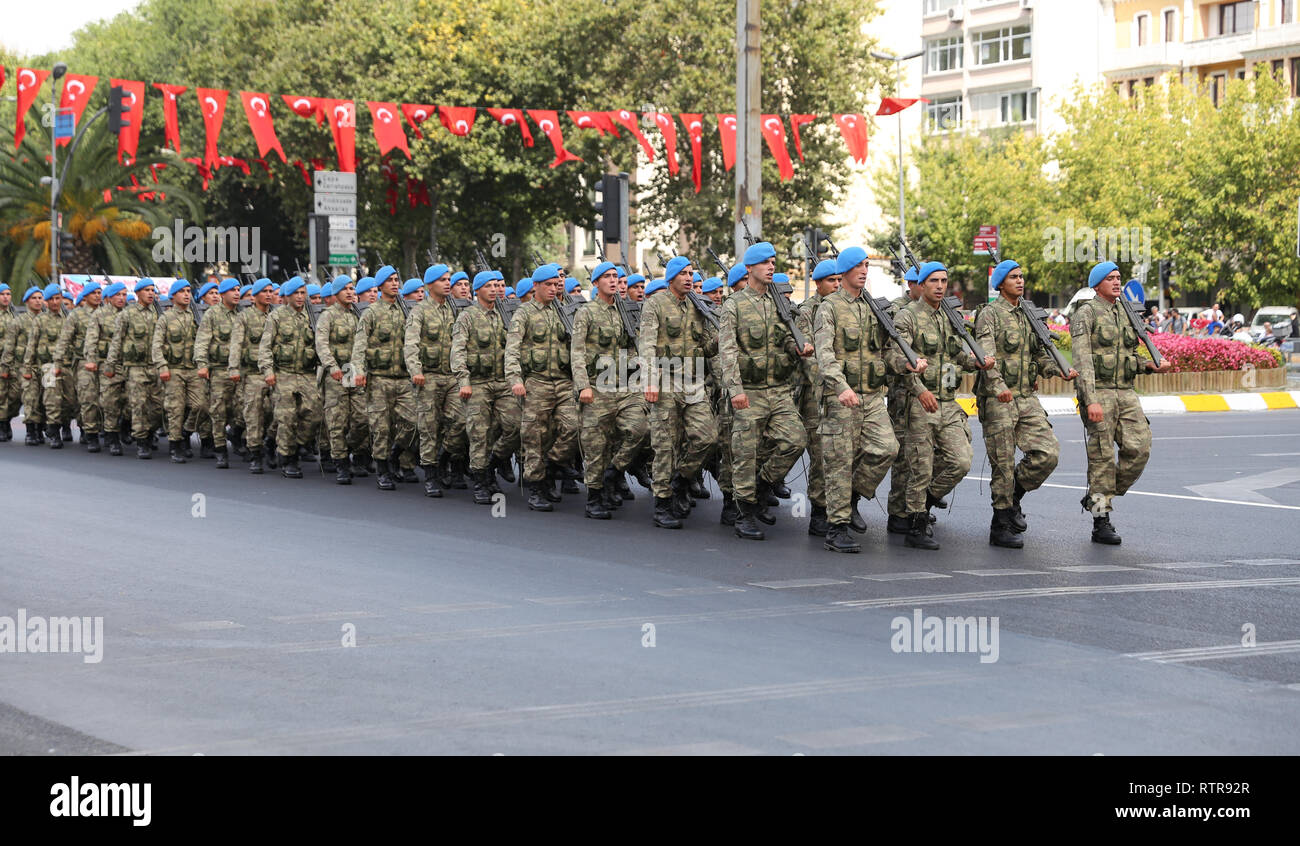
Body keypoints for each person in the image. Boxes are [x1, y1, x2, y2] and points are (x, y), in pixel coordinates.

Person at [814, 248, 918, 552]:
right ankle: (836, 529)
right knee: (839, 462)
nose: (864, 269)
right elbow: (824, 353)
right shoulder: (828, 308)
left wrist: (906, 363)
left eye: (867, 265)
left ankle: (853, 496)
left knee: (887, 448)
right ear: (844, 271)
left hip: (872, 396)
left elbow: (886, 352)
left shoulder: (873, 307)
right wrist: (839, 385)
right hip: (841, 398)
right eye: (858, 265)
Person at [888, 262, 996, 550]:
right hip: (919, 402)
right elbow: (897, 358)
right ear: (921, 285)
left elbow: (956, 355)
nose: (939, 285)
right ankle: (916, 524)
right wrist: (919, 390)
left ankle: (924, 502)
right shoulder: (906, 317)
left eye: (944, 280)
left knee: (960, 460)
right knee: (920, 466)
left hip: (947, 402)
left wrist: (976, 362)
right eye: (933, 280)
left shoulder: (949, 317)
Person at [974, 260, 1077, 549]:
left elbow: (1039, 355)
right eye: (1014, 277)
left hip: (1026, 397)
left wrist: (1058, 368)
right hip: (999, 398)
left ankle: (1014, 495)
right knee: (1003, 463)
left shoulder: (1029, 315)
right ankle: (1000, 523)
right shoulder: (990, 315)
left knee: (1048, 453)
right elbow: (985, 358)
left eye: (1022, 276)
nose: (1020, 281)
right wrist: (998, 387)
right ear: (1001, 283)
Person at [1070, 261, 1172, 544]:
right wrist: (1089, 399)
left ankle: (1098, 495)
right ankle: (1101, 520)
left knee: (1139, 448)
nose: (1117, 282)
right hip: (1098, 392)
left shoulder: (1127, 314)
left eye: (1118, 278)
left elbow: (1129, 358)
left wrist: (1151, 366)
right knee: (1101, 458)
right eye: (1110, 278)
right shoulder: (1086, 313)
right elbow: (1083, 361)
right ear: (1097, 284)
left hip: (1126, 392)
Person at [717, 242, 811, 540]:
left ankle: (761, 486)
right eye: (766, 263)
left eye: (773, 261)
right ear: (750, 269)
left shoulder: (777, 303)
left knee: (795, 439)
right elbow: (728, 352)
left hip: (778, 390)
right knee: (745, 452)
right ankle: (744, 513)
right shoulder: (734, 305)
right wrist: (735, 390)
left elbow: (784, 338)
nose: (771, 266)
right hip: (749, 391)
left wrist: (798, 346)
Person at [638, 255, 718, 528]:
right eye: (683, 273)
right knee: (665, 445)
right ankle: (662, 503)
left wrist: (723, 335)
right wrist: (649, 381)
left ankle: (681, 479)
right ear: (671, 278)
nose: (689, 278)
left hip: (693, 382)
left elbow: (707, 347)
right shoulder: (655, 304)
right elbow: (646, 345)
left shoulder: (698, 306)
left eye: (691, 273)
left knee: (707, 437)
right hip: (664, 382)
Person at [571, 262, 648, 518]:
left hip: (626, 386)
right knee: (596, 445)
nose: (614, 281)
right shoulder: (587, 312)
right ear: (595, 283)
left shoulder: (626, 311)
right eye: (607, 277)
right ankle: (594, 497)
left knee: (640, 429)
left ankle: (613, 472)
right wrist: (583, 386)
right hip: (597, 386)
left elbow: (635, 345)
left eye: (616, 277)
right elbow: (577, 352)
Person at [505, 263, 580, 511]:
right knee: (535, 436)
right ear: (535, 286)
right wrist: (515, 380)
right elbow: (512, 350)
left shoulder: (565, 312)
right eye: (547, 284)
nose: (553, 288)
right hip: (536, 383)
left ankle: (551, 468)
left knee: (573, 427)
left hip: (563, 382)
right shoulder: (524, 313)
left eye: (555, 284)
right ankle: (536, 488)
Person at [451, 270, 519, 504]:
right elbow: (458, 350)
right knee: (479, 433)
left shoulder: (506, 314)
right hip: (478, 383)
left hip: (503, 382)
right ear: (477, 290)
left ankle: (494, 462)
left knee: (515, 424)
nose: (494, 289)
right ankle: (480, 481)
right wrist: (463, 381)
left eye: (496, 285)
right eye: (488, 286)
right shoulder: (467, 316)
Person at [350, 265, 416, 490]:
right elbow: (359, 345)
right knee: (381, 428)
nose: (395, 283)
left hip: (404, 379)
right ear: (380, 286)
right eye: (390, 280)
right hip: (379, 379)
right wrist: (358, 371)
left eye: (397, 279)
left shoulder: (408, 311)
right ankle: (382, 469)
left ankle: (394, 455)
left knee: (413, 423)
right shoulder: (371, 313)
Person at [404, 263, 466, 497]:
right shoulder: (419, 311)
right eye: (442, 280)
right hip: (427, 377)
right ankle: (431, 475)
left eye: (449, 279)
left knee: (461, 421)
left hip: (452, 377)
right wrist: (415, 370)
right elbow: (410, 344)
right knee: (429, 427)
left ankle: (443, 457)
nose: (448, 283)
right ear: (430, 285)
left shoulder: (456, 309)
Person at [794, 259, 840, 537]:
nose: (836, 285)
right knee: (821, 454)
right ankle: (819, 512)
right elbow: (809, 357)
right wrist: (828, 385)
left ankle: (847, 504)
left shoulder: (843, 308)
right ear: (819, 284)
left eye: (838, 280)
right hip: (817, 395)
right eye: (831, 281)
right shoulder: (806, 313)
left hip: (842, 390)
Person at [258, 276, 321, 478]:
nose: (301, 297)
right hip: (283, 373)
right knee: (287, 418)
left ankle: (291, 442)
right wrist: (268, 371)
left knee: (314, 414)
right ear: (288, 296)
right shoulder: (276, 318)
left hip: (306, 373)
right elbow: (265, 347)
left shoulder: (312, 317)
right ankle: (288, 458)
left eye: (303, 293)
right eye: (297, 293)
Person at [106, 279, 164, 458]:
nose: (150, 293)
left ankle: (139, 428)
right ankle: (141, 441)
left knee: (158, 406)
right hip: (135, 367)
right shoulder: (127, 314)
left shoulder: (158, 314)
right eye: (146, 290)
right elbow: (117, 341)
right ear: (138, 293)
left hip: (154, 366)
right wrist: (111, 364)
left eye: (152, 290)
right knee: (138, 404)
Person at [152, 279, 206, 463]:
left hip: (193, 369)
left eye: (189, 291)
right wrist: (162, 366)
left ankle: (186, 431)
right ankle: (175, 444)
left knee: (200, 405)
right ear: (173, 296)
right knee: (176, 408)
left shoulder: (196, 317)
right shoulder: (165, 318)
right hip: (173, 370)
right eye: (182, 291)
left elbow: (203, 342)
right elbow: (157, 345)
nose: (186, 294)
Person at [228, 278, 277, 472]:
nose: (268, 294)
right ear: (254, 295)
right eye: (264, 291)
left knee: (279, 412)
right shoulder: (245, 317)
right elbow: (236, 344)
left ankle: (271, 443)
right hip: (253, 373)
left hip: (276, 372)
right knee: (254, 413)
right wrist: (233, 368)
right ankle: (255, 453)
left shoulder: (277, 315)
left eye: (270, 291)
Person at [195, 278, 243, 468]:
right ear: (223, 294)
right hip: (219, 369)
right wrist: (202, 364)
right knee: (219, 410)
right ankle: (220, 449)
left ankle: (237, 434)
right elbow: (202, 341)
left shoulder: (242, 314)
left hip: (240, 370)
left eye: (238, 289)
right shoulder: (212, 315)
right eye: (233, 290)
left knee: (243, 408)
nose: (237, 293)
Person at [53, 281, 102, 451]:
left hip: (104, 363)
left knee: (106, 400)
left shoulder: (106, 314)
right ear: (86, 296)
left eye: (99, 292)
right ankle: (90, 433)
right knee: (87, 398)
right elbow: (64, 340)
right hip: (83, 362)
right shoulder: (76, 315)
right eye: (94, 293)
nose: (97, 296)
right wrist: (57, 362)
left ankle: (109, 432)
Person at [83, 282, 128, 454]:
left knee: (134, 402)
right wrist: (91, 360)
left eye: (124, 295)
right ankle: (111, 435)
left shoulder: (130, 314)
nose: (122, 298)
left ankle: (125, 425)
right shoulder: (99, 315)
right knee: (109, 401)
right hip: (106, 365)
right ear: (109, 297)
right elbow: (91, 340)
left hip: (129, 365)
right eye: (118, 295)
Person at [25, 284, 71, 448]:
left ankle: (57, 426)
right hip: (48, 367)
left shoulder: (69, 319)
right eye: (50, 299)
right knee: (52, 399)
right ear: (46, 301)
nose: (54, 302)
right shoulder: (40, 320)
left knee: (69, 401)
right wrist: (27, 368)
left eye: (57, 298)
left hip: (67, 365)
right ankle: (54, 432)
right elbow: (31, 345)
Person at [3, 287, 45, 444]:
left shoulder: (47, 319)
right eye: (34, 298)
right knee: (28, 397)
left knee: (45, 399)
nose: (38, 301)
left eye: (40, 298)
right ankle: (30, 431)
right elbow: (9, 346)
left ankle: (40, 428)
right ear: (27, 301)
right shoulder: (18, 321)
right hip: (24, 366)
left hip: (45, 366)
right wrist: (5, 368)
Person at [0, 283, 18, 442]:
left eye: (8, 294)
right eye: (2, 294)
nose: (6, 297)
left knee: (15, 394)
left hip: (13, 362)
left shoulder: (14, 316)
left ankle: (8, 418)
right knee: (1, 395)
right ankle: (2, 424)